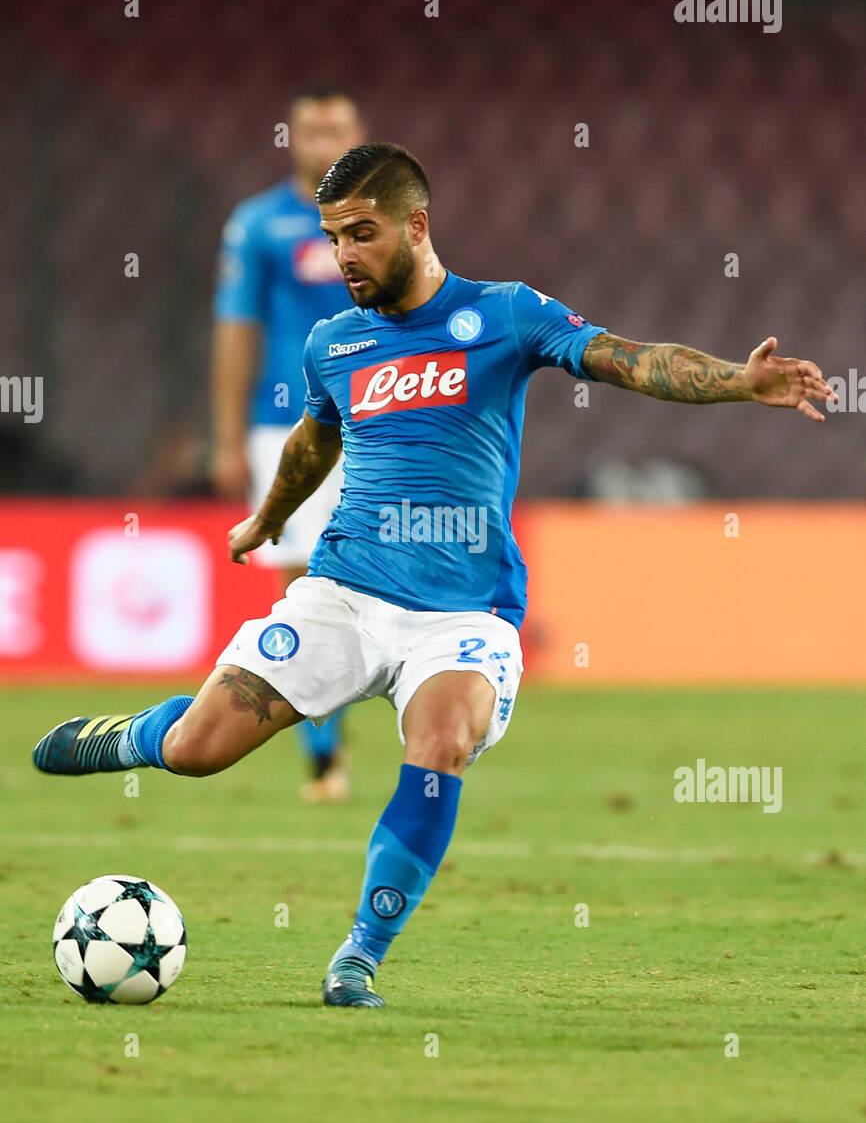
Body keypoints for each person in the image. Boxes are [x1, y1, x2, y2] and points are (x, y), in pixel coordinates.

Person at [34, 142, 832, 1008]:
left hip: (465, 612)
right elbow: (315, 438)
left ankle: (358, 959)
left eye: (362, 235)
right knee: (197, 751)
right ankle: (128, 740)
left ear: (417, 225)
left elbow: (628, 359)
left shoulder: (505, 315)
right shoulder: (333, 342)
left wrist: (738, 383)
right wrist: (269, 518)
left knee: (440, 740)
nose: (344, 257)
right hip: (343, 592)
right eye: (334, 237)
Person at [211, 85, 365, 802]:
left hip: (380, 416)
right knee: (299, 585)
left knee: (375, 576)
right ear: (292, 139)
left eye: (336, 129)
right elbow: (235, 330)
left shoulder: (380, 219)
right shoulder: (259, 225)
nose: (323, 142)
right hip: (288, 422)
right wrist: (227, 435)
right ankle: (324, 755)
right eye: (310, 130)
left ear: (358, 135)